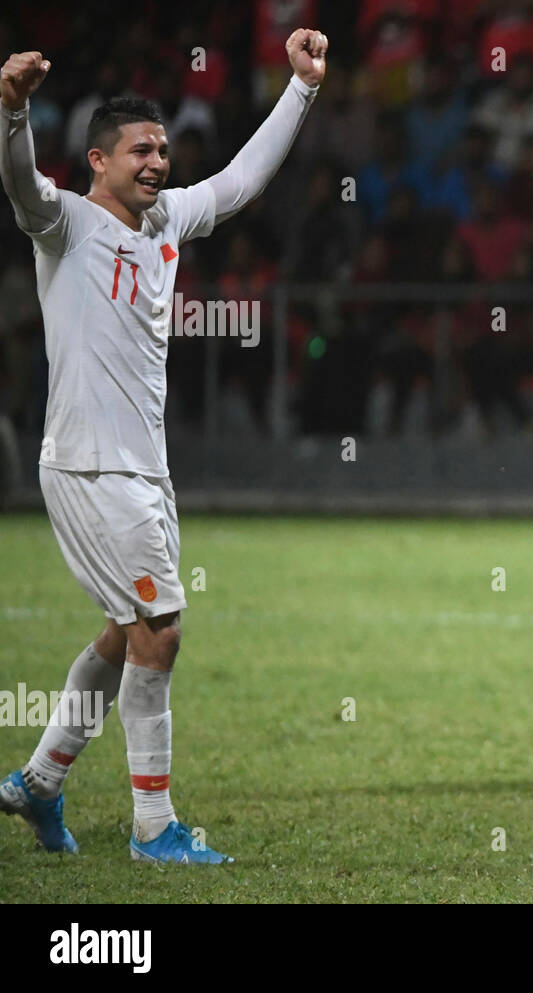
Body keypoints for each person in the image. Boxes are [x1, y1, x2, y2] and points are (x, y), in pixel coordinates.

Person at [0, 29, 328, 862]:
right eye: (141, 150)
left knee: (125, 632)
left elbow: (244, 179)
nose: (157, 161)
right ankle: (154, 830)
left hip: (146, 471)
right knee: (163, 628)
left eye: (163, 149)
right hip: (89, 464)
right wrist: (12, 112)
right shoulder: (64, 224)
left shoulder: (170, 219)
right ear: (98, 163)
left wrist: (302, 88)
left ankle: (39, 783)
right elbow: (18, 182)